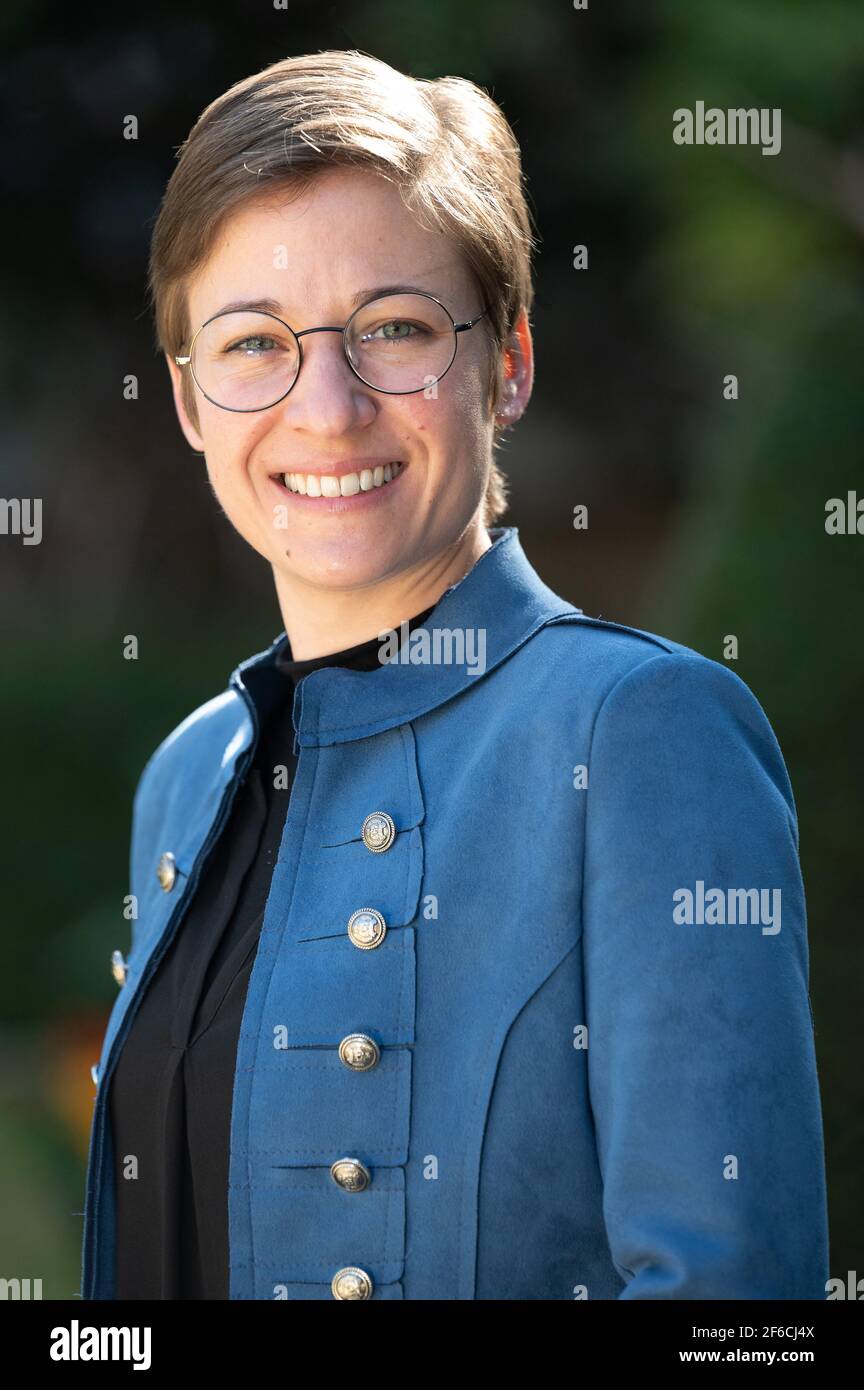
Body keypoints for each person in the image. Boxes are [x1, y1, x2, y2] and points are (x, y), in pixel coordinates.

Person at [81, 49, 828, 1301]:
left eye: (395, 329)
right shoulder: (187, 775)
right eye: (255, 342)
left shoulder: (640, 731)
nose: (326, 406)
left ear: (511, 364)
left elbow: (734, 1307)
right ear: (191, 400)